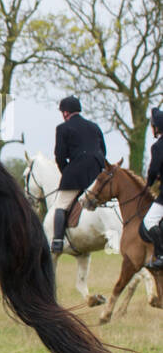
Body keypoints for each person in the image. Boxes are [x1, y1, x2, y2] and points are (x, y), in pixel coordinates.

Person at [50, 96, 107, 254]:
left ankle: (57, 241)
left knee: (61, 204)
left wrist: (67, 172)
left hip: (76, 174)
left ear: (65, 112)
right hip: (97, 172)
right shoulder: (94, 126)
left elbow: (60, 156)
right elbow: (103, 151)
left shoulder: (63, 128)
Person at [143, 106, 163, 270]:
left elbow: (154, 169)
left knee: (150, 220)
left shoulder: (157, 146)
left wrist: (148, 184)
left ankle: (161, 255)